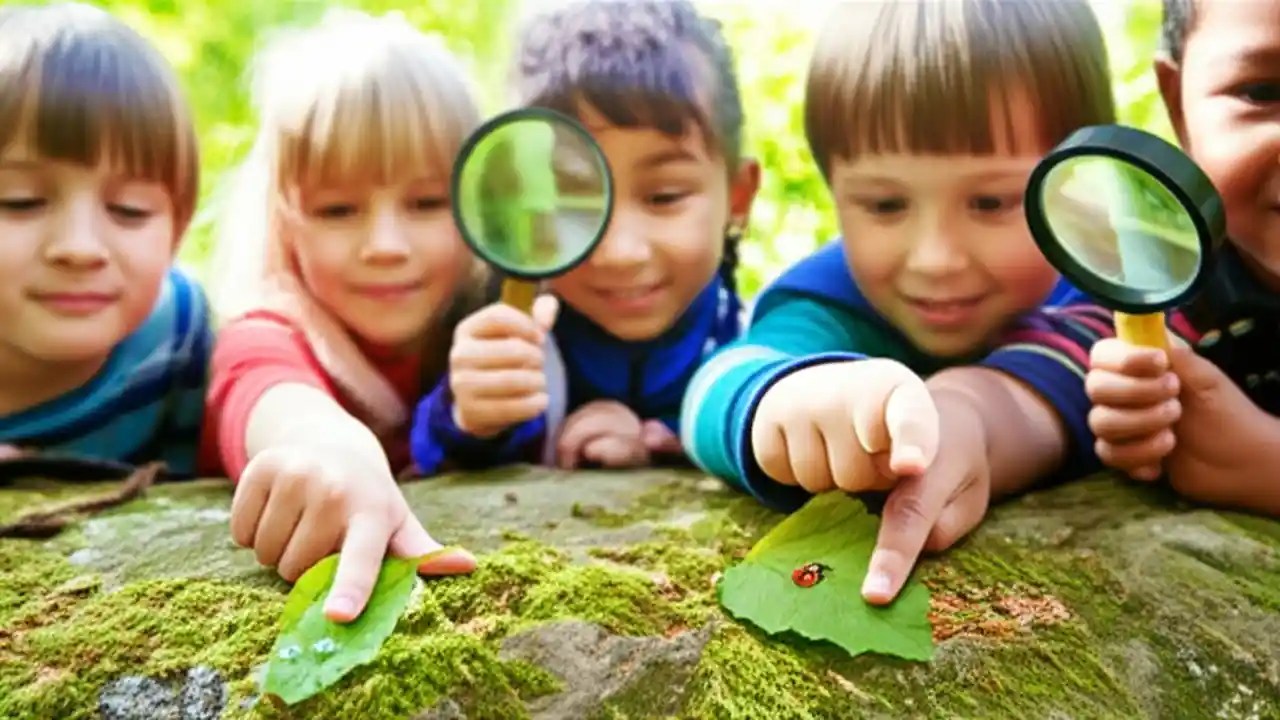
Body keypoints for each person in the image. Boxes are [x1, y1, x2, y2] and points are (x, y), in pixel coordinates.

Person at [681, 0, 1119, 604]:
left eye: (991, 203)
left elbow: (1069, 371)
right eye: (885, 206)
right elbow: (717, 381)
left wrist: (965, 417)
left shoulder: (1107, 285)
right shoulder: (830, 299)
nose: (934, 258)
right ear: (834, 188)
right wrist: (785, 396)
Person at [202, 9, 485, 622]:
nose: (385, 243)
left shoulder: (481, 323)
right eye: (337, 210)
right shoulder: (266, 330)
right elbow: (270, 396)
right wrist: (333, 452)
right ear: (285, 221)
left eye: (427, 202)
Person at [410, 0, 759, 473]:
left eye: (665, 196)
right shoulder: (528, 333)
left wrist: (670, 439)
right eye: (572, 203)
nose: (619, 252)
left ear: (737, 197)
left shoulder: (759, 338)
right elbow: (436, 457)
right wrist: (470, 415)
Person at [1084, 0, 1280, 517]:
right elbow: (1043, 362)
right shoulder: (1157, 276)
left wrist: (1264, 467)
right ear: (1178, 105)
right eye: (1263, 93)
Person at [0, 3, 211, 474]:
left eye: (129, 210)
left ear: (176, 231)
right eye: (19, 201)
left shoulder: (180, 335)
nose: (79, 247)